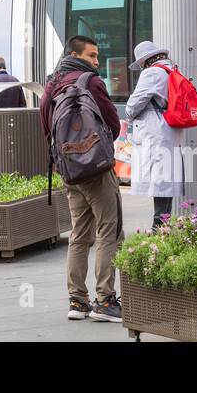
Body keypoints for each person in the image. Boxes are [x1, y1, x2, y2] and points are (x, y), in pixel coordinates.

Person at [40, 35, 124, 323]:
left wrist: (69, 156)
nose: (97, 61)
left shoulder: (51, 85)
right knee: (109, 231)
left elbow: (45, 126)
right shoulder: (91, 82)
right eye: (92, 55)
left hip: (69, 172)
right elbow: (113, 122)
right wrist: (94, 151)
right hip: (97, 171)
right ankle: (105, 300)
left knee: (79, 234)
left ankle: (77, 301)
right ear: (75, 54)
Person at [124, 41, 186, 228]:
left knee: (160, 180)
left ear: (144, 61)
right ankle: (164, 223)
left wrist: (128, 114)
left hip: (156, 132)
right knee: (166, 180)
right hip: (170, 130)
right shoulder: (171, 70)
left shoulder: (151, 73)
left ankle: (158, 227)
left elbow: (135, 103)